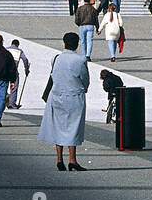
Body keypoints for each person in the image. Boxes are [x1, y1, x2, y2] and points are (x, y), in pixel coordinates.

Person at [41, 31, 91, 171]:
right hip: (74, 96)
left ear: (64, 43)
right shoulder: (80, 60)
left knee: (58, 126)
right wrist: (83, 89)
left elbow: (54, 75)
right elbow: (85, 80)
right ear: (77, 44)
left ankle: (59, 159)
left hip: (57, 95)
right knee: (73, 127)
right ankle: (72, 159)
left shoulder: (56, 58)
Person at [7, 39, 31, 108]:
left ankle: (3, 102)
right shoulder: (19, 51)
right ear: (17, 44)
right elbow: (25, 60)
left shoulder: (6, 49)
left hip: (5, 71)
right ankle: (11, 103)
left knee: (3, 86)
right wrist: (26, 69)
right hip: (13, 71)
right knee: (13, 86)